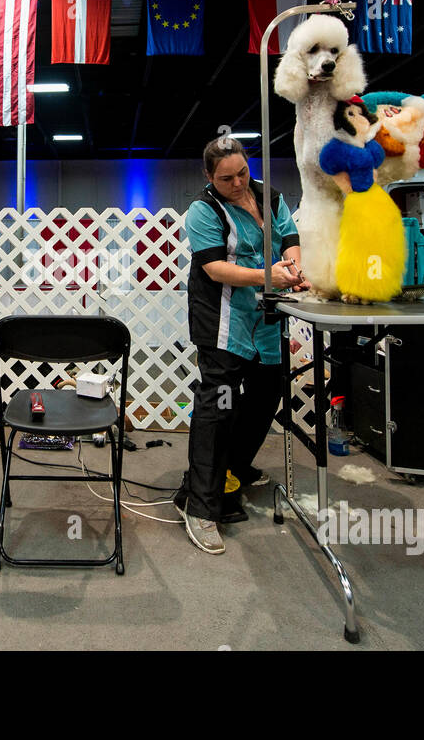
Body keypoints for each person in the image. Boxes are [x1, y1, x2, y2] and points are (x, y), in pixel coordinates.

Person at [176, 135, 309, 554]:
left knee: (266, 395)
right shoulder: (202, 210)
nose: (237, 184)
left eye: (242, 174)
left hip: (266, 320)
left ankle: (234, 468)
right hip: (221, 323)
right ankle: (200, 505)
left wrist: (293, 264)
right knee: (218, 406)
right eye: (226, 178)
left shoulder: (269, 196)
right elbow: (214, 268)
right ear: (209, 177)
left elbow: (290, 236)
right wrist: (269, 277)